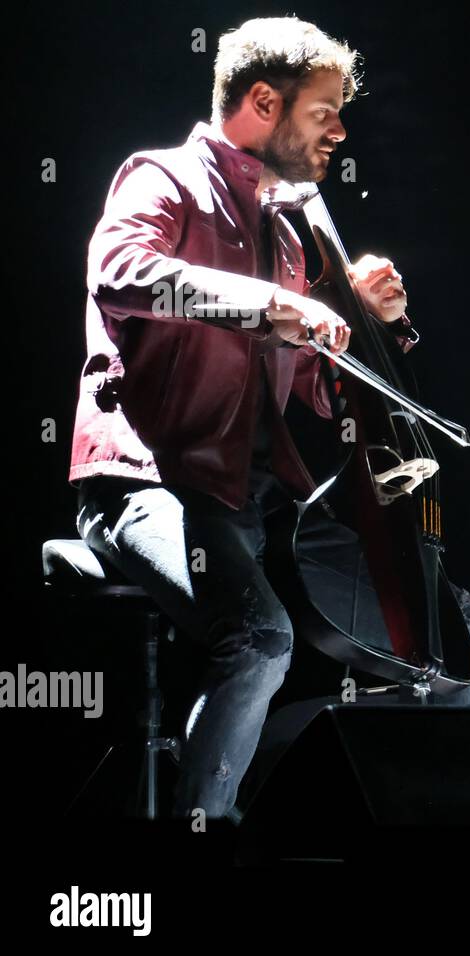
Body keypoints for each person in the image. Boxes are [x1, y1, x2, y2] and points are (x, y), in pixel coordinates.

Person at [69, 17, 416, 819]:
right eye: (323, 110)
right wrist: (270, 304)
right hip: (144, 482)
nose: (340, 129)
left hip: (245, 499)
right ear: (264, 100)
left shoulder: (286, 235)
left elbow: (312, 396)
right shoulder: (160, 177)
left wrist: (365, 323)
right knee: (262, 639)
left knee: (412, 640)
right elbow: (121, 273)